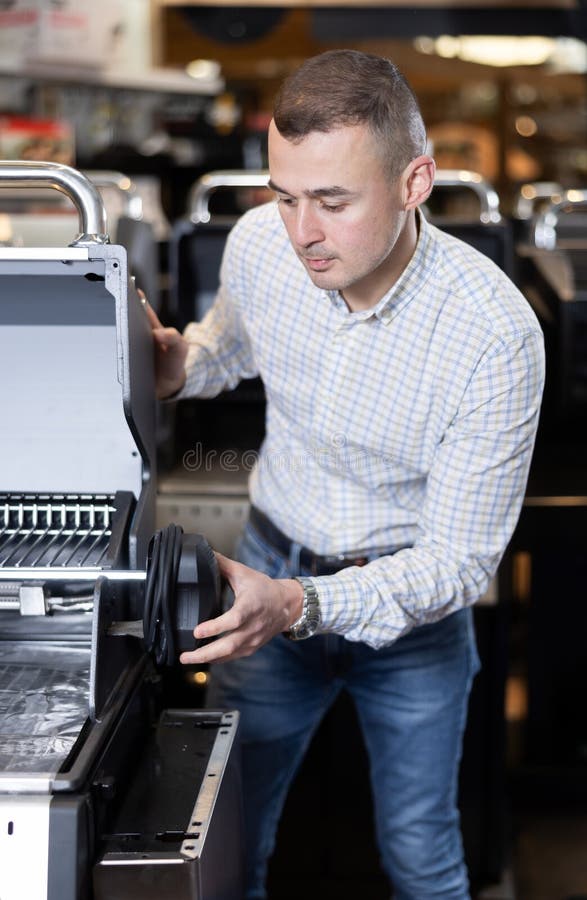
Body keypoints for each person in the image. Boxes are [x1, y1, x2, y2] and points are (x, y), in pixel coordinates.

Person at [147, 50, 545, 900]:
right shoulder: (260, 244)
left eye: (332, 201)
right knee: (224, 854)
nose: (301, 232)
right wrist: (184, 363)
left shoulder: (492, 334)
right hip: (269, 568)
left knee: (422, 856)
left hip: (412, 621)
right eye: (285, 196)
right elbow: (233, 342)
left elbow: (460, 564)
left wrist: (301, 605)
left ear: (415, 183)